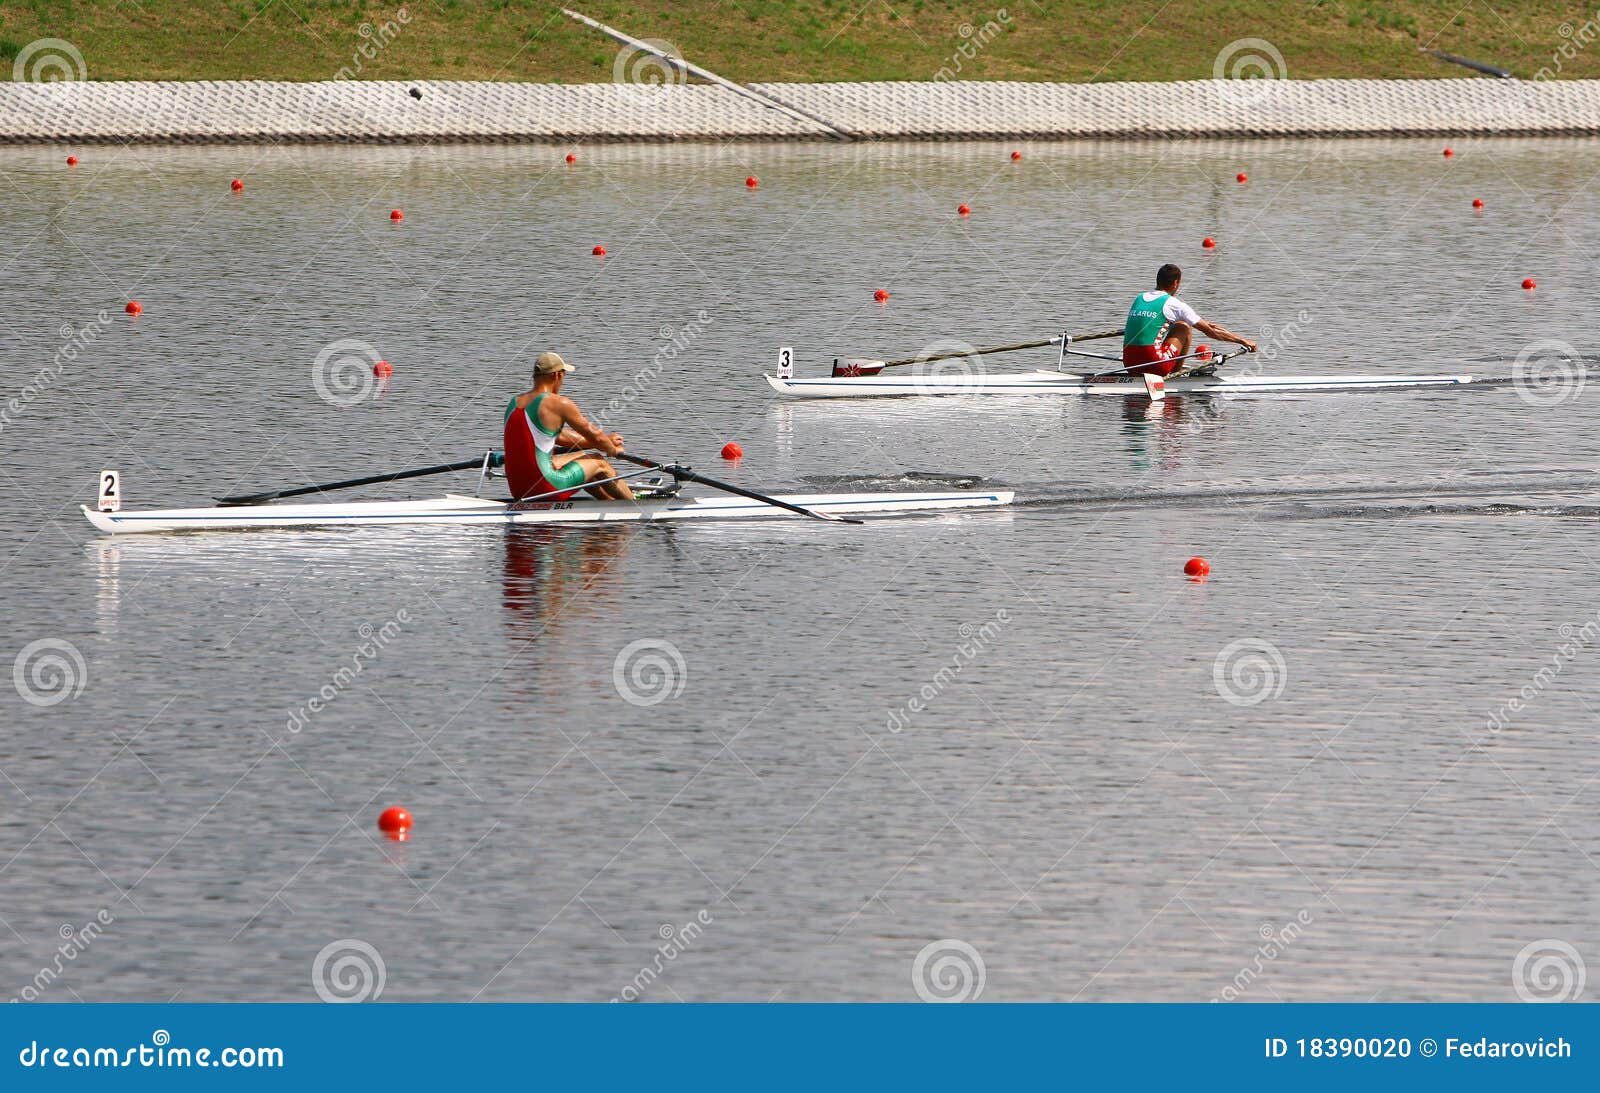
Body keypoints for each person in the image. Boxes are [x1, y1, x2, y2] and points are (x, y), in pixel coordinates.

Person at [503, 352, 634, 502]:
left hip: (518, 488)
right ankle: (635, 506)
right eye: (564, 375)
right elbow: (596, 436)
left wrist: (605, 440)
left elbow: (563, 437)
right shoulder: (559, 403)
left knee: (580, 458)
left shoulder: (514, 403)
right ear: (557, 375)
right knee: (599, 462)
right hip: (545, 487)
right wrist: (611, 449)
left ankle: (609, 502)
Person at [1122, 264, 1257, 376]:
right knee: (1184, 327)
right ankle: (1176, 373)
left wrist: (1204, 323)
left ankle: (1159, 368)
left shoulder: (1139, 298)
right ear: (1176, 283)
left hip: (1129, 364)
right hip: (1155, 365)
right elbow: (1211, 332)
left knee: (1172, 326)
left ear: (1157, 280)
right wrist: (1243, 341)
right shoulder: (1174, 304)